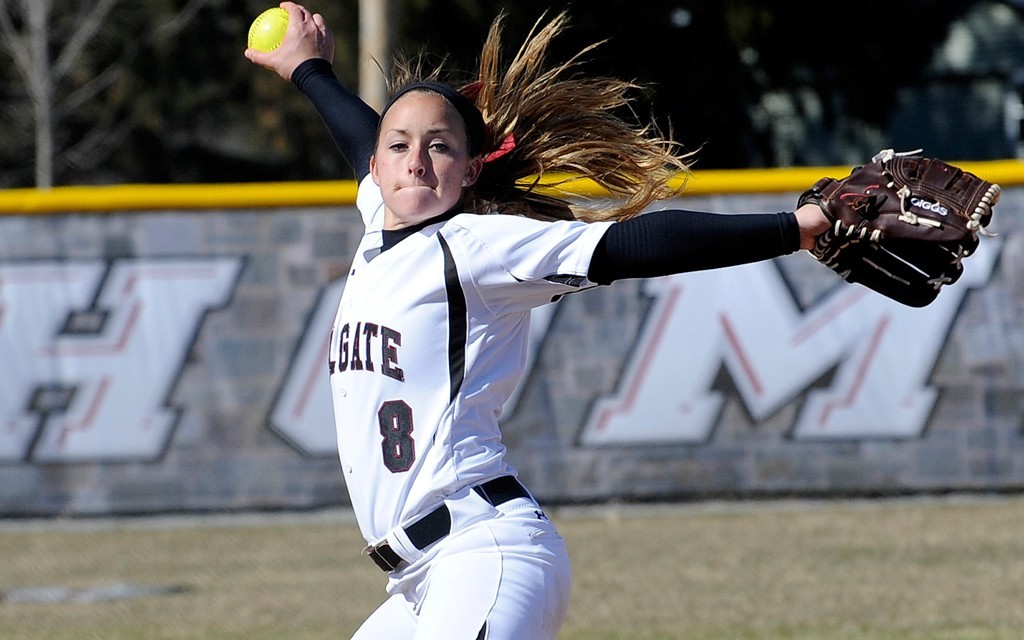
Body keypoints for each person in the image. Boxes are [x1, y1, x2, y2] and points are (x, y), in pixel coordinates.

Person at [246, 4, 830, 639]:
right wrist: (308, 69)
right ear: (377, 169)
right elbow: (363, 133)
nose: (416, 160)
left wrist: (795, 229)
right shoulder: (378, 220)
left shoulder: (474, 246)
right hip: (417, 582)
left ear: (470, 171)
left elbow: (626, 246)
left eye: (440, 147)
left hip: (482, 554)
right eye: (400, 147)